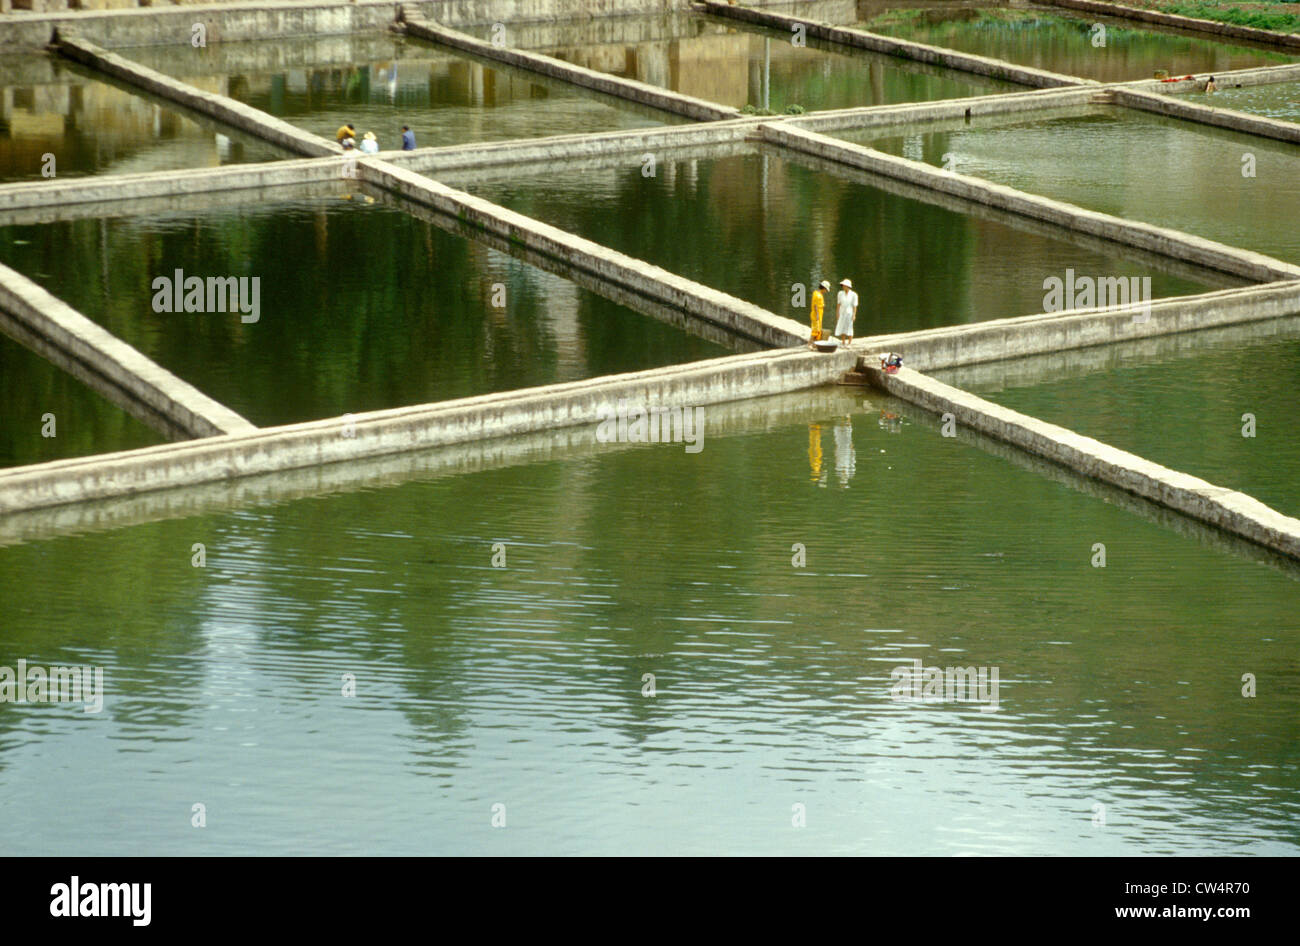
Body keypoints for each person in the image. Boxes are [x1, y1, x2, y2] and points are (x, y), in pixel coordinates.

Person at [834, 277, 858, 346]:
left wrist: (854, 315)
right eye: (843, 285)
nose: (843, 287)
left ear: (848, 286)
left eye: (845, 285)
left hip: (849, 313)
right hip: (842, 312)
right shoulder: (840, 293)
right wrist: (837, 313)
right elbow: (838, 304)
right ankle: (843, 341)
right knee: (842, 326)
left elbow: (854, 306)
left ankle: (849, 342)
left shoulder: (854, 295)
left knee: (849, 327)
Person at [809, 279, 829, 347]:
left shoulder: (817, 293)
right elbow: (815, 306)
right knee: (815, 330)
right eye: (826, 290)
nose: (826, 291)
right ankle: (809, 344)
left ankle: (814, 344)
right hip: (816, 315)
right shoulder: (818, 295)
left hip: (819, 314)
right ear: (824, 288)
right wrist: (817, 315)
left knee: (818, 330)